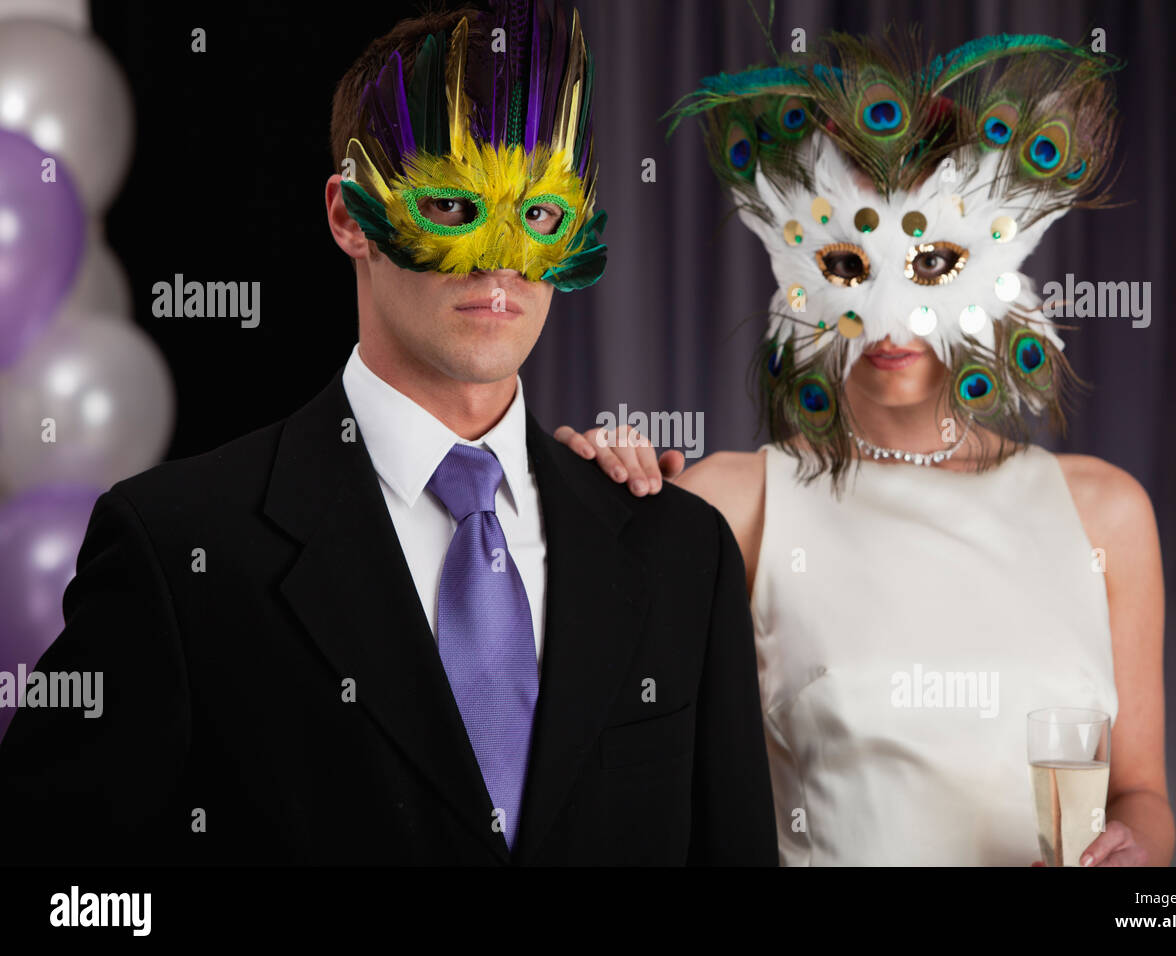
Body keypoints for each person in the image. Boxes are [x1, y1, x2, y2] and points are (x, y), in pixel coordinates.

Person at [0, 2, 777, 866]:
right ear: (348, 216)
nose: (501, 260)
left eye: (543, 217)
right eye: (451, 204)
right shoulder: (184, 549)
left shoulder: (678, 553)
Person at [556, 28, 1174, 866]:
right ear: (796, 264)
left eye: (930, 263)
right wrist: (581, 492)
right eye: (850, 263)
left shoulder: (1106, 512)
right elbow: (585, 712)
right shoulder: (740, 501)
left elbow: (1141, 789)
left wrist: (1136, 848)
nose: (889, 312)